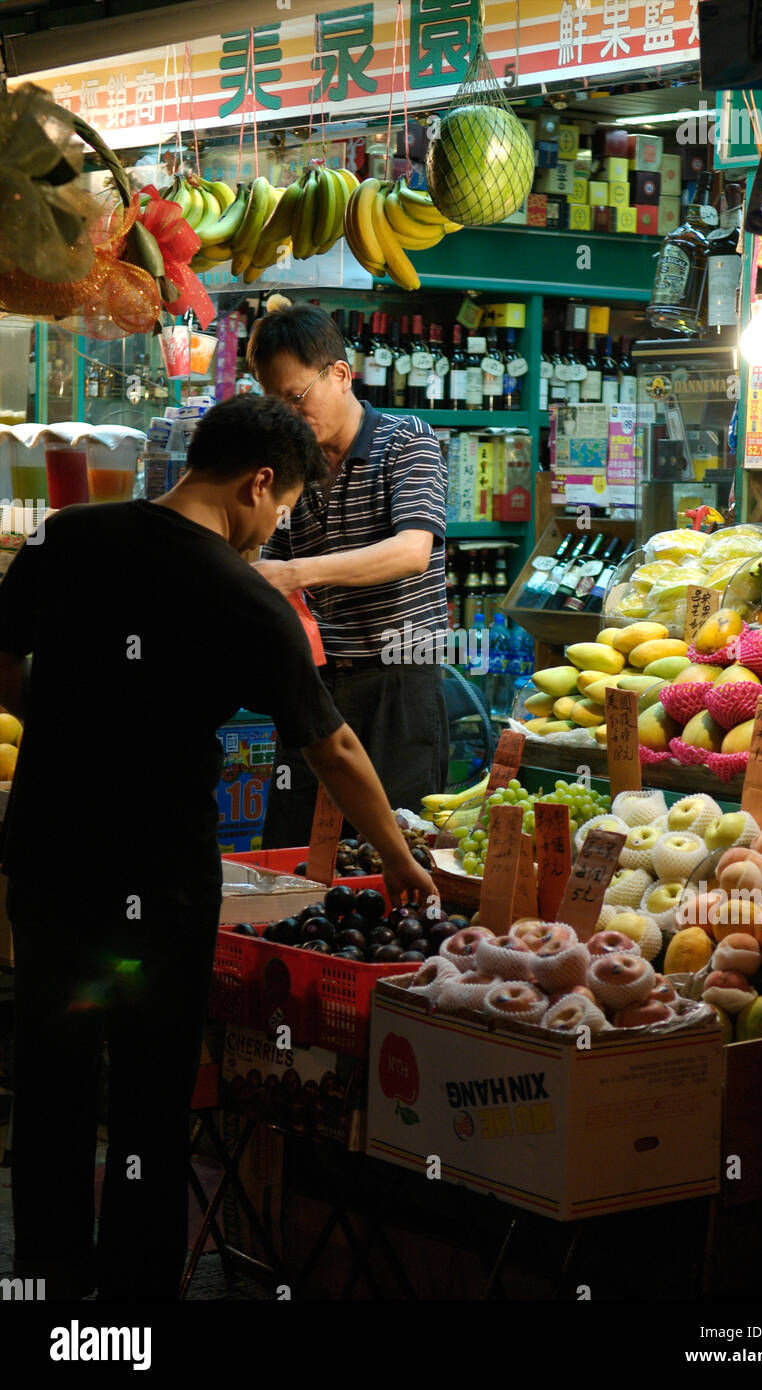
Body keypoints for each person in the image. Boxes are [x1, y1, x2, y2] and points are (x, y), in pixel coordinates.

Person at [0, 394, 435, 1302]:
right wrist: (397, 857)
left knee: (54, 1081)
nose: (273, 530)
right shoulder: (244, 597)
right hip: (158, 882)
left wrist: (51, 721)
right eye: (279, 512)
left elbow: (1, 657)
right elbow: (334, 747)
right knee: (152, 1098)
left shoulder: (67, 538)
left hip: (49, 858)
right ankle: (133, 1304)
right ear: (259, 482)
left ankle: (44, 1285)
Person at [246, 304, 450, 848]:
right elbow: (267, 562)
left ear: (340, 374)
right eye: (274, 404)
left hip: (398, 684)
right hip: (316, 687)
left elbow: (411, 551)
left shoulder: (407, 440)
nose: (288, 416)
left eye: (296, 398)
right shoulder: (293, 462)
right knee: (292, 850)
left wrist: (292, 572)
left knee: (394, 852)